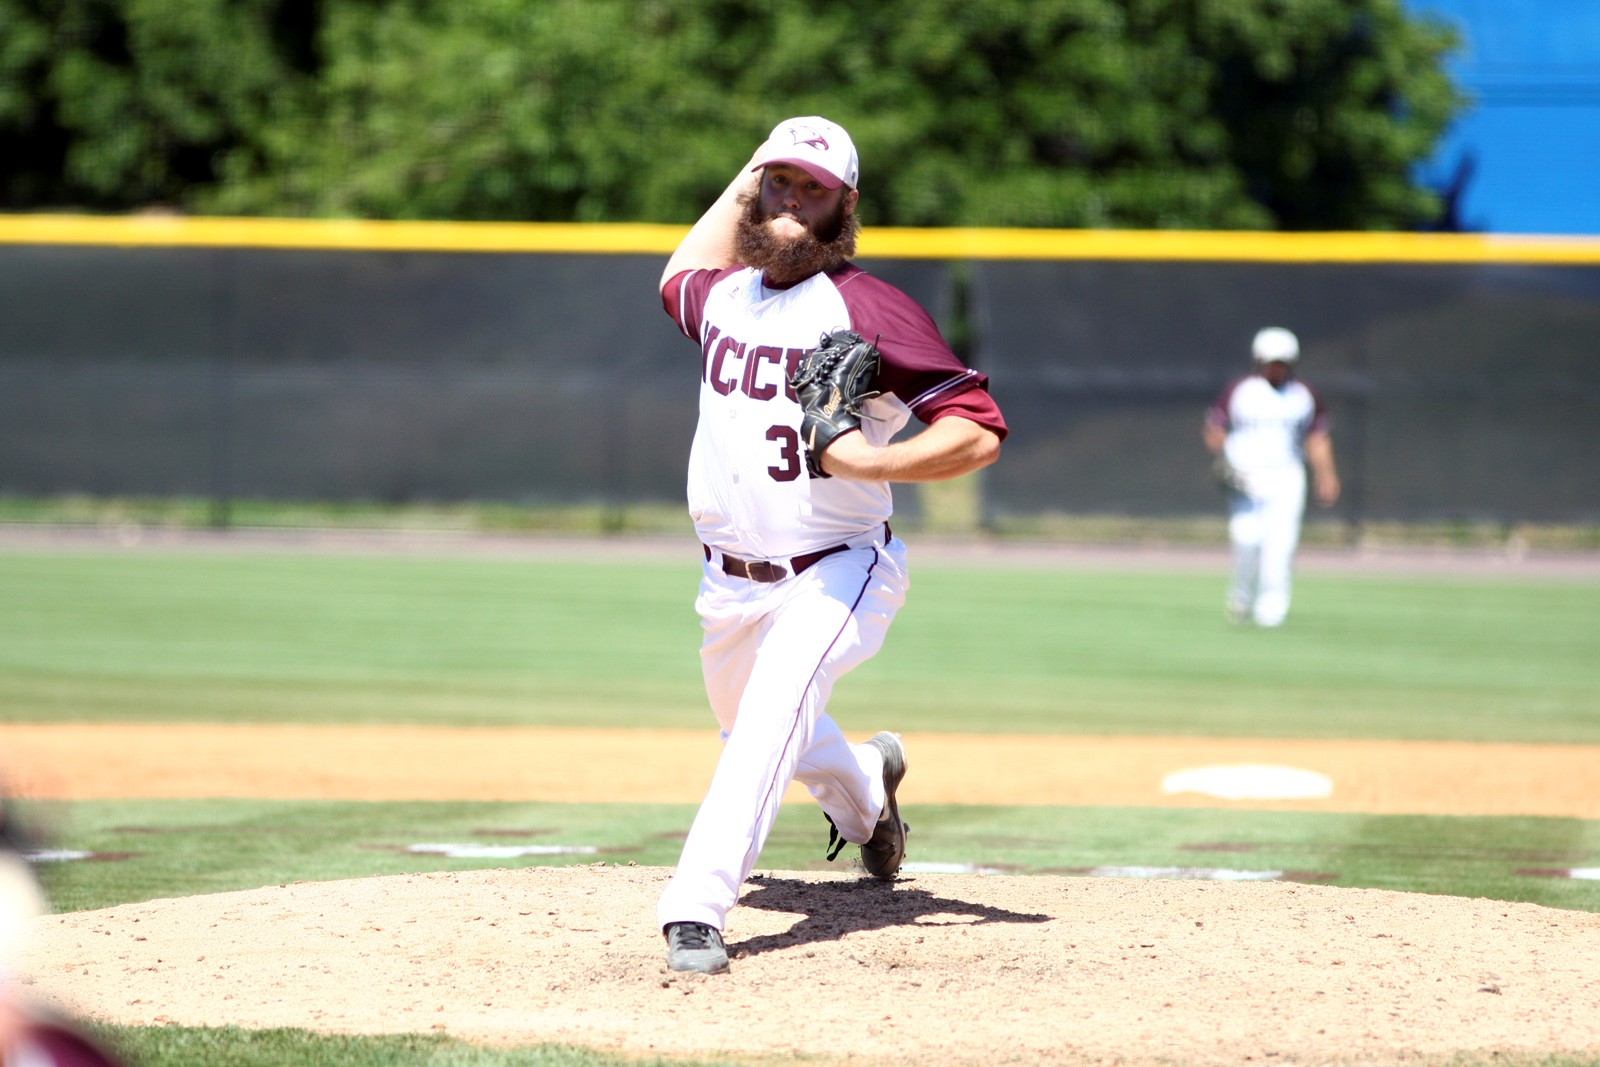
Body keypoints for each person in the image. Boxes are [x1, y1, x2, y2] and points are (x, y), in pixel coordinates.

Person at [655, 116, 1008, 974]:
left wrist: (871, 459)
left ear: (846, 206)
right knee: (767, 726)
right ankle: (868, 796)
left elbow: (978, 430)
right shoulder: (725, 295)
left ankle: (695, 908)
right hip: (728, 587)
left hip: (838, 566)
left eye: (813, 188)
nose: (790, 199)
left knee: (768, 720)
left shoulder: (868, 307)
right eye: (779, 181)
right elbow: (675, 274)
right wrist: (757, 166)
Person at [1202, 326, 1340, 628]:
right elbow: (1214, 429)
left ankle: (1271, 611)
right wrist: (1223, 458)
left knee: (1281, 545)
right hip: (1246, 476)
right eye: (1271, 362)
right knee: (1246, 538)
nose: (1276, 368)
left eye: (1282, 362)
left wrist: (1326, 475)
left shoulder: (1303, 395)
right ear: (1259, 361)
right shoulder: (1241, 391)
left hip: (1286, 475)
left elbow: (1317, 438)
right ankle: (1241, 597)